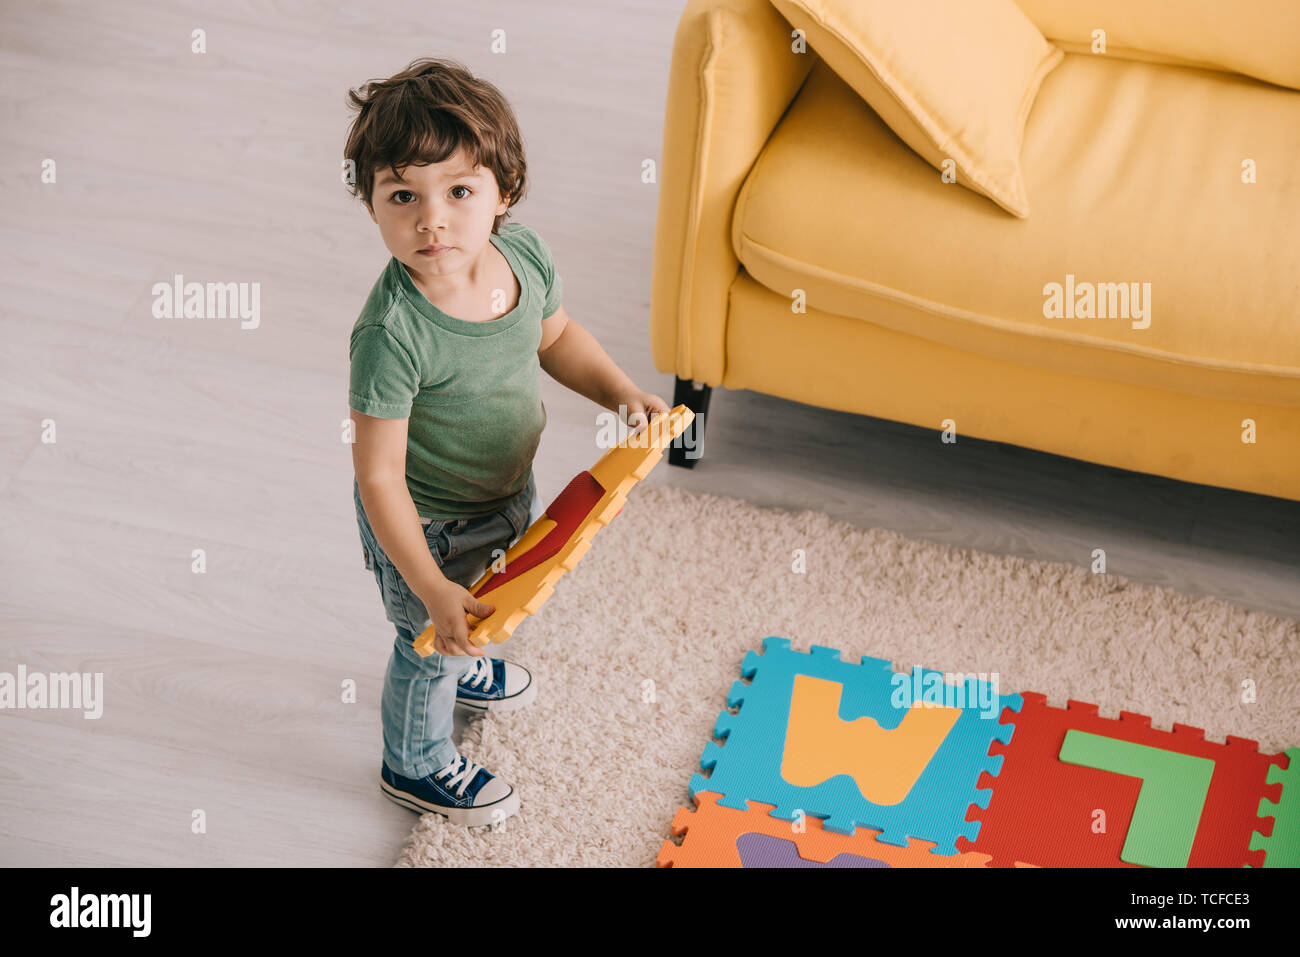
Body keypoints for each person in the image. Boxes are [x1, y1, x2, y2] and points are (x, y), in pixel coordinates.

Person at [343, 56, 668, 828]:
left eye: (459, 191)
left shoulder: (523, 259)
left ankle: (468, 644)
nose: (433, 220)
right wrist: (427, 584)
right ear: (372, 207)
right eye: (403, 196)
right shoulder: (393, 334)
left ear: (503, 192)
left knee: (485, 594)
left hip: (503, 493)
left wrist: (620, 391)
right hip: (426, 525)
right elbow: (379, 478)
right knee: (427, 644)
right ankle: (412, 762)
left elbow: (556, 339)